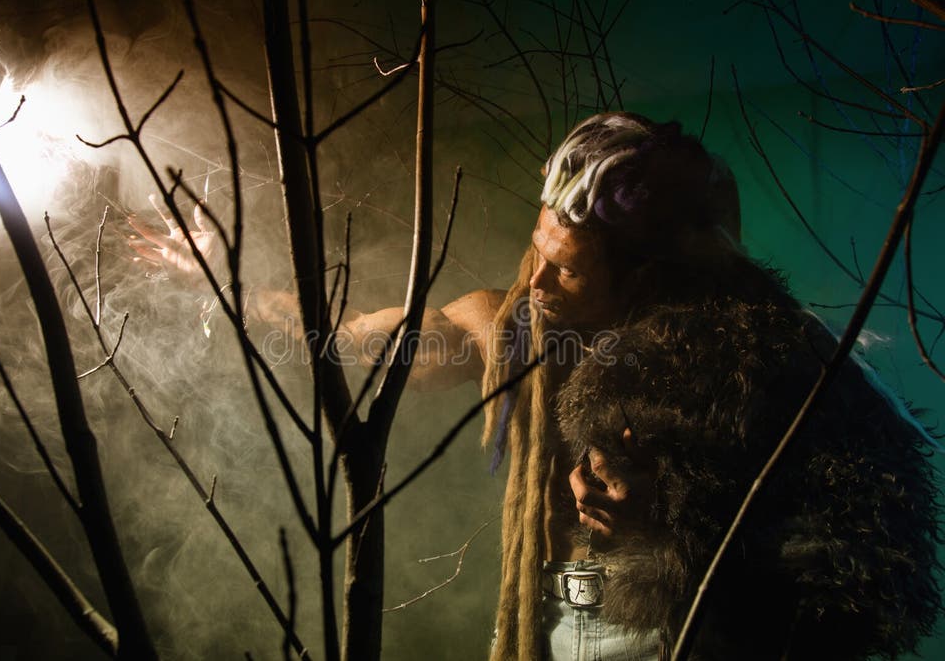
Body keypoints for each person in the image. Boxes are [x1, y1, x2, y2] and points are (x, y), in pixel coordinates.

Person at [129, 112, 940, 660]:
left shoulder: (764, 365)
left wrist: (679, 525)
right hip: (564, 635)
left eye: (572, 265)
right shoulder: (519, 329)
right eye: (538, 247)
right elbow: (366, 342)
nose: (540, 277)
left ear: (652, 279)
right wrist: (231, 288)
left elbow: (858, 562)